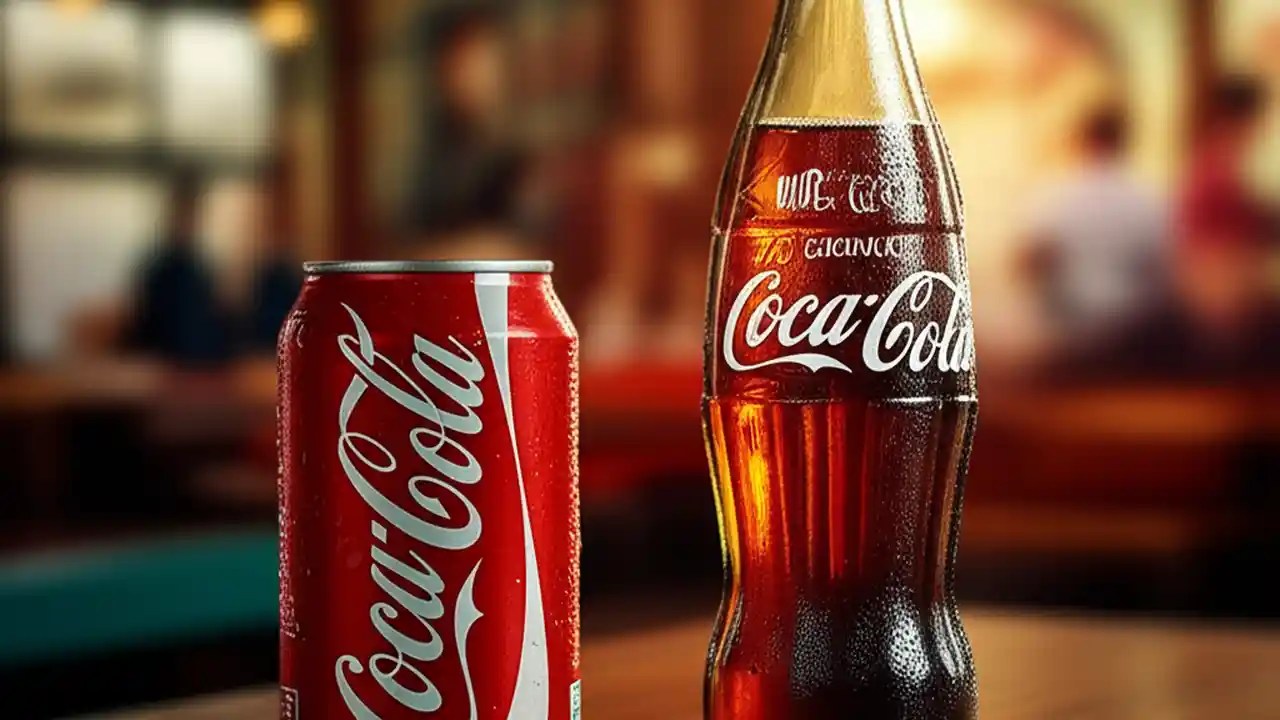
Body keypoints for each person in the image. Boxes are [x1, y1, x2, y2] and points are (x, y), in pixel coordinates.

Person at [1022, 104, 1171, 371]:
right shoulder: (1145, 197)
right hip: (1131, 329)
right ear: (1122, 142)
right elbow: (1160, 266)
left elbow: (1030, 262)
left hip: (1071, 328)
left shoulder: (1056, 196)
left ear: (1082, 141)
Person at [402, 4, 531, 257]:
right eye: (457, 62)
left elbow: (524, 252)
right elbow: (406, 245)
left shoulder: (520, 157)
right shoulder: (434, 162)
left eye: (481, 60)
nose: (468, 75)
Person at [1177, 75, 1279, 372]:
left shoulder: (1213, 160)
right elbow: (1247, 226)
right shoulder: (1223, 164)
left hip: (1216, 292)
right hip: (1222, 300)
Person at [129, 172, 233, 367]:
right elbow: (146, 332)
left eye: (192, 214)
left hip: (204, 371)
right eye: (183, 212)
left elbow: (218, 333)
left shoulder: (204, 272)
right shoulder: (159, 271)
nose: (188, 221)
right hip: (166, 370)